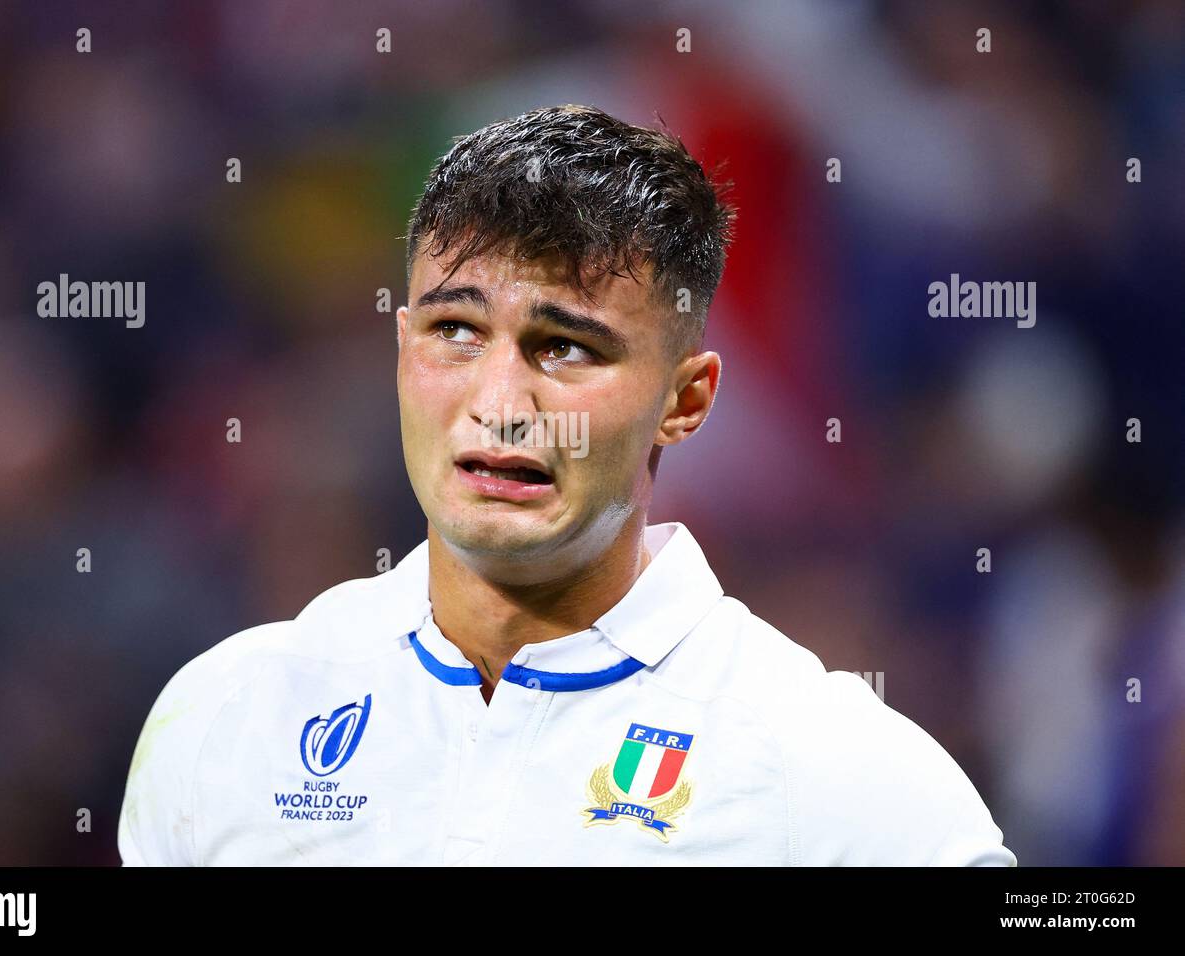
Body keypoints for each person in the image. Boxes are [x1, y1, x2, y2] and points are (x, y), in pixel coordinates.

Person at [118, 104, 1016, 865]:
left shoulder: (841, 781)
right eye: (456, 332)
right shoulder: (225, 722)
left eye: (565, 346)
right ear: (401, 351)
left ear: (685, 398)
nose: (500, 403)